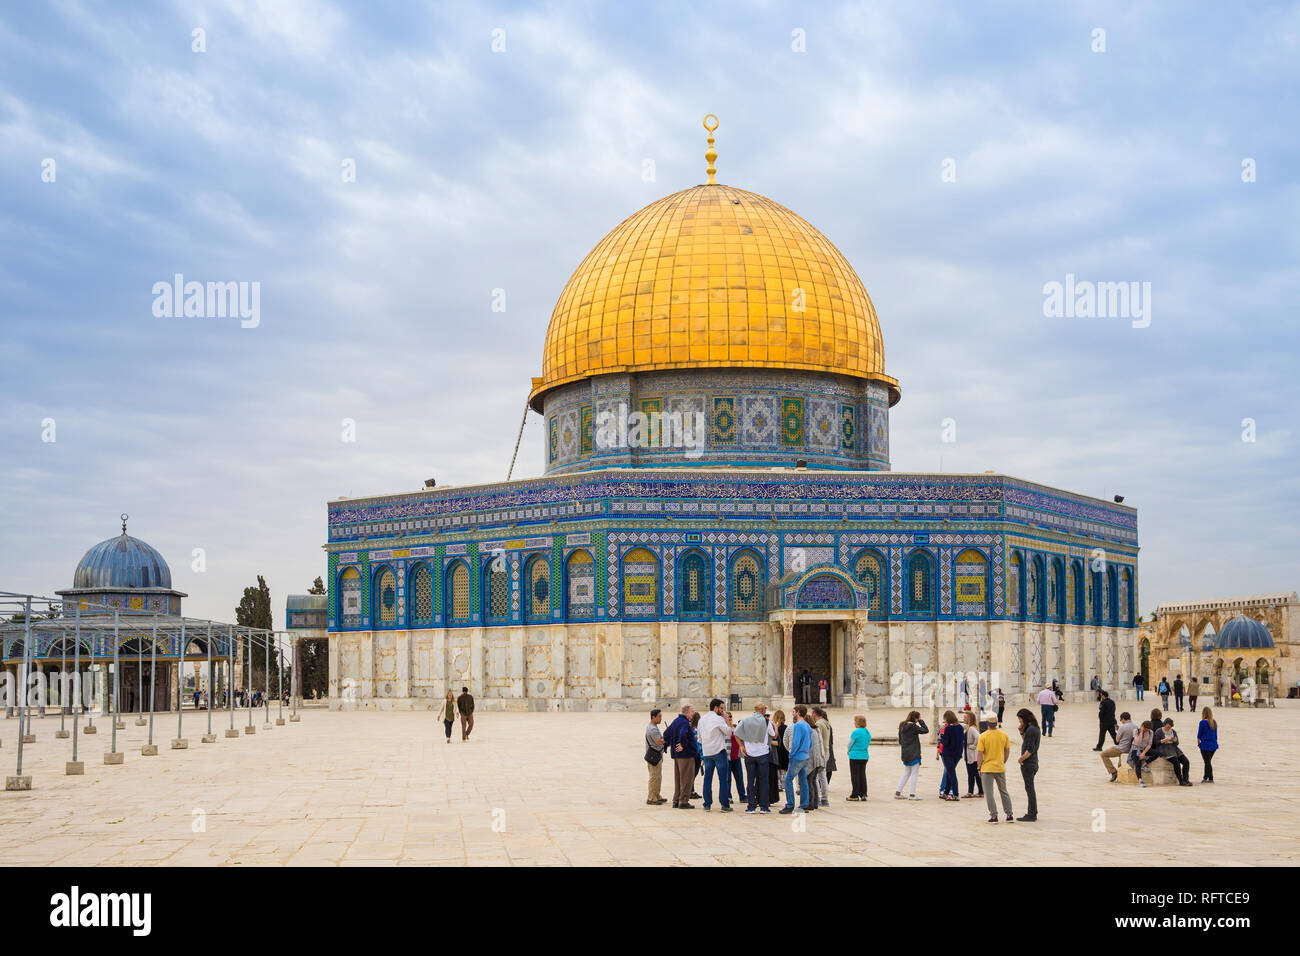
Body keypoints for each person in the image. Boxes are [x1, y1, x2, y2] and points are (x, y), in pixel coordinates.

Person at [735, 702, 775, 814]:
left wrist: (741, 746)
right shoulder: (766, 722)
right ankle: (764, 806)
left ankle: (751, 806)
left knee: (750, 781)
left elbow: (736, 733)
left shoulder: (745, 720)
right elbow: (774, 735)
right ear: (763, 710)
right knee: (763, 781)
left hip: (749, 754)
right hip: (763, 754)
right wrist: (775, 728)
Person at [698, 698, 734, 812]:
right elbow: (729, 732)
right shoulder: (718, 719)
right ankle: (724, 805)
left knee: (707, 778)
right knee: (723, 779)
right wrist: (726, 719)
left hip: (707, 752)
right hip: (719, 751)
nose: (723, 711)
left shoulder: (702, 719)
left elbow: (699, 738)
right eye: (721, 708)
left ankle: (707, 804)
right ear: (716, 708)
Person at [977, 713, 1014, 823]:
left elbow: (980, 754)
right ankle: (1009, 814)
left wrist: (979, 767)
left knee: (989, 793)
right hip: (1000, 767)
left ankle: (994, 816)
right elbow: (1007, 750)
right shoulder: (1004, 735)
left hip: (987, 768)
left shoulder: (983, 736)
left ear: (987, 724)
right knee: (1004, 791)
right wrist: (1003, 761)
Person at [780, 705, 812, 814]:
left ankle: (790, 805)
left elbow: (795, 742)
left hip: (797, 756)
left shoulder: (798, 726)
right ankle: (803, 805)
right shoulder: (807, 725)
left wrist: (791, 754)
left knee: (788, 780)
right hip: (805, 756)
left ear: (798, 712)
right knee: (803, 781)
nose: (792, 713)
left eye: (793, 711)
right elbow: (810, 743)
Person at [663, 704, 697, 809]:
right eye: (692, 711)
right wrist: (683, 744)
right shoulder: (685, 723)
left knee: (678, 779)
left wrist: (671, 744)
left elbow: (666, 734)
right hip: (686, 755)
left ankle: (676, 800)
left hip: (677, 756)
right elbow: (683, 733)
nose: (693, 713)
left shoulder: (675, 721)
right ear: (686, 712)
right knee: (687, 779)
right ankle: (683, 801)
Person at [895, 710, 929, 800]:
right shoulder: (913, 726)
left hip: (905, 753)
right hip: (914, 753)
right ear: (915, 718)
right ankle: (912, 794)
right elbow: (926, 730)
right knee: (914, 773)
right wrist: (921, 721)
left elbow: (900, 741)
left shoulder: (902, 725)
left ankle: (898, 792)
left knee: (907, 773)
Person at [1016, 709, 1041, 821]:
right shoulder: (1034, 728)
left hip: (1029, 763)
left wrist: (1021, 759)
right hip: (1033, 762)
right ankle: (1033, 811)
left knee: (1030, 789)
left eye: (1020, 719)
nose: (1020, 721)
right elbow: (1026, 742)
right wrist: (1021, 732)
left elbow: (1030, 749)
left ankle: (1031, 814)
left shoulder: (1031, 730)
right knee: (1030, 788)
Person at [1101, 711, 1135, 781]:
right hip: (1129, 749)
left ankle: (1113, 772)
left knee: (1103, 754)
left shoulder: (1122, 727)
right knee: (1120, 765)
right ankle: (1119, 777)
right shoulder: (1136, 726)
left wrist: (1118, 730)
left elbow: (1117, 740)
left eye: (1121, 720)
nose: (1121, 722)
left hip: (1121, 748)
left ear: (1123, 719)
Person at [939, 710, 965, 801]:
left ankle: (955, 794)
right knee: (950, 773)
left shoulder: (948, 729)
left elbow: (945, 742)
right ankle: (946, 793)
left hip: (948, 754)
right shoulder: (960, 728)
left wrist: (941, 738)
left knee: (952, 774)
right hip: (957, 754)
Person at [1160, 717, 1193, 786]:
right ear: (1164, 724)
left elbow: (1177, 743)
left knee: (1186, 762)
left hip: (1175, 749)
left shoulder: (1173, 731)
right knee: (1177, 763)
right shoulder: (1159, 731)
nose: (1169, 728)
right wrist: (1165, 740)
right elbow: (1156, 742)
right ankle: (1181, 781)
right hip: (1166, 750)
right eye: (1168, 727)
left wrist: (1174, 741)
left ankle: (1186, 779)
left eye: (1170, 727)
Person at [805, 709, 828, 809]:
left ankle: (814, 802)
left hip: (814, 759)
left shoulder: (812, 730)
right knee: (815, 780)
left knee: (811, 780)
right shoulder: (818, 728)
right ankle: (816, 801)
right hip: (821, 756)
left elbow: (813, 746)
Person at [645, 709, 667, 805]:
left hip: (657, 755)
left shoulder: (652, 726)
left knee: (658, 777)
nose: (660, 718)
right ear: (653, 717)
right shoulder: (652, 729)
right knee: (654, 777)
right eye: (659, 716)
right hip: (654, 756)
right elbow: (658, 741)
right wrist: (667, 738)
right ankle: (651, 798)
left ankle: (657, 795)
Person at [846, 715, 871, 801]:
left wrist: (848, 750)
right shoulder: (867, 732)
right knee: (862, 775)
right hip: (864, 756)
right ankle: (863, 793)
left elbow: (849, 744)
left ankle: (855, 795)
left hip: (855, 756)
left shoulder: (856, 732)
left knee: (855, 775)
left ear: (857, 723)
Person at [725, 711, 747, 803]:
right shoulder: (723, 728)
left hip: (736, 757)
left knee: (739, 778)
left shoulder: (735, 727)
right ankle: (728, 797)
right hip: (727, 757)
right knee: (727, 779)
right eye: (728, 716)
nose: (730, 718)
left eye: (731, 716)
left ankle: (742, 796)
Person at [812, 706, 836, 785]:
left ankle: (819, 791)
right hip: (826, 750)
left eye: (812, 713)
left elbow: (816, 739)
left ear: (815, 714)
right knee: (823, 774)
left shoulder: (819, 724)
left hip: (821, 751)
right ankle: (823, 792)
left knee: (819, 775)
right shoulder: (826, 723)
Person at [962, 711, 983, 798]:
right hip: (969, 755)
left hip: (972, 756)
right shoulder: (969, 728)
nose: (964, 719)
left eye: (965, 717)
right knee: (973, 774)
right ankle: (978, 791)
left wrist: (972, 746)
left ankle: (973, 792)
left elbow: (979, 738)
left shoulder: (971, 729)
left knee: (973, 774)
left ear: (969, 719)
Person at [770, 709, 789, 800]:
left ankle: (778, 785)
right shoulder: (786, 727)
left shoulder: (773, 728)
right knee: (784, 770)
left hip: (777, 750)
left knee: (777, 770)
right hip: (785, 751)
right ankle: (783, 785)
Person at [1196, 707, 1218, 783]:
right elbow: (1215, 735)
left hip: (1205, 745)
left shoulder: (1202, 722)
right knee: (1207, 761)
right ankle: (1206, 777)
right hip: (1214, 745)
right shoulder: (1214, 722)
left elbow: (1199, 735)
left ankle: (1210, 778)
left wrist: (1199, 744)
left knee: (1207, 762)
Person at [1130, 721, 1153, 786]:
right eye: (1145, 729)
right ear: (1142, 727)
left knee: (1158, 753)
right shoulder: (1136, 731)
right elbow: (1137, 742)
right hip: (1135, 748)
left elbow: (1149, 744)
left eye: (1148, 730)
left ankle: (1145, 763)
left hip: (1145, 748)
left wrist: (1143, 753)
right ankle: (1140, 780)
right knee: (1137, 763)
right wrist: (1141, 732)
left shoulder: (1150, 732)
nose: (1147, 731)